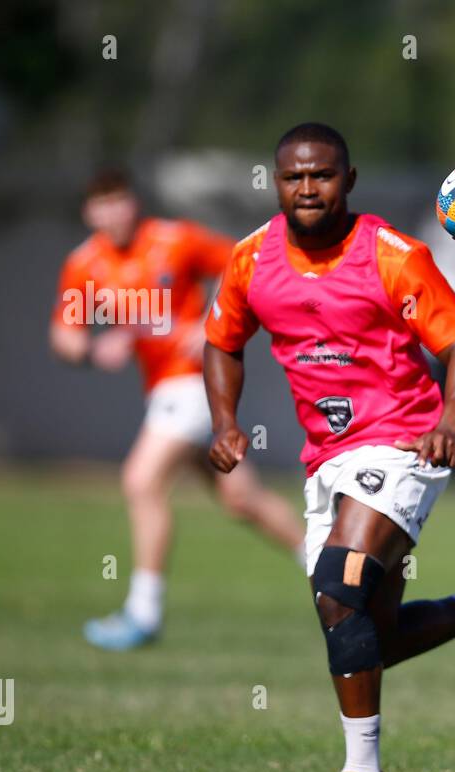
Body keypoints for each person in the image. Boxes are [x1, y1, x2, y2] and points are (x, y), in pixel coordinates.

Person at [204, 123, 455, 772]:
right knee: (367, 630)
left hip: (401, 443)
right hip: (326, 461)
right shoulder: (252, 259)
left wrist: (448, 426)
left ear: (349, 178)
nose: (308, 187)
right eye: (294, 176)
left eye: (323, 174)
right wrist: (225, 421)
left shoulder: (392, 255)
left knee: (337, 587)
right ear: (276, 182)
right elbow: (221, 342)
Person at [51, 169, 305, 651]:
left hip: (194, 383)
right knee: (241, 500)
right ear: (90, 212)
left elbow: (242, 261)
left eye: (120, 199)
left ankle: (143, 614)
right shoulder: (84, 263)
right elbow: (63, 335)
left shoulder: (174, 240)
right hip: (163, 392)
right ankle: (334, 570)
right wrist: (91, 350)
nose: (113, 211)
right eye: (102, 203)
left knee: (141, 480)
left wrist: (214, 319)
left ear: (133, 202)